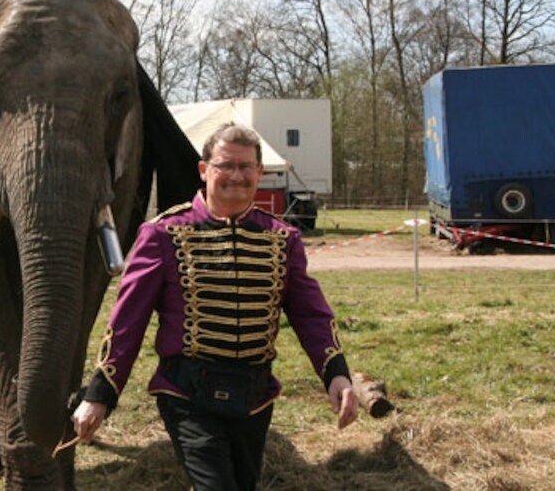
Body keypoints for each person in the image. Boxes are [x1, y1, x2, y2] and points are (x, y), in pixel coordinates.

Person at [71, 122, 359, 491]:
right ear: (205, 170)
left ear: (259, 173)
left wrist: (335, 372)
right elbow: (128, 320)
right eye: (225, 166)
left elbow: (310, 313)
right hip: (186, 394)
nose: (235, 177)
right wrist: (101, 394)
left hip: (255, 396)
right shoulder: (162, 234)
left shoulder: (282, 238)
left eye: (245, 167)